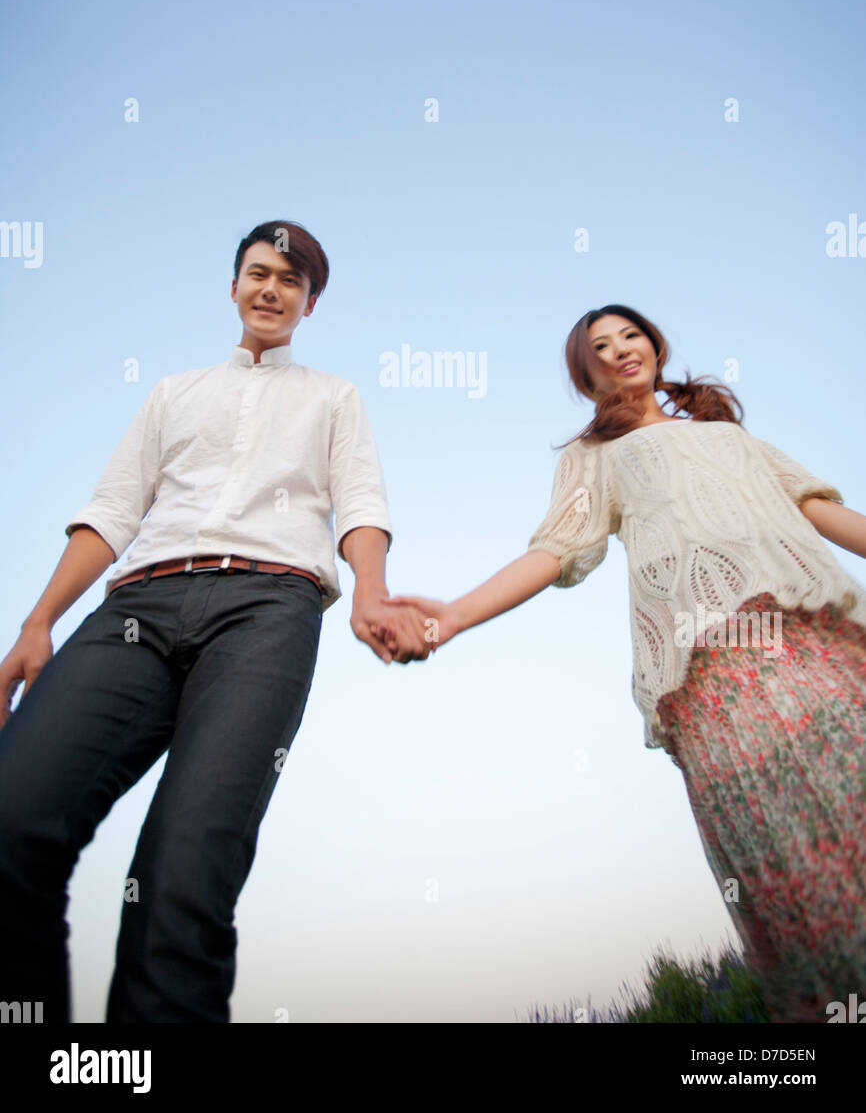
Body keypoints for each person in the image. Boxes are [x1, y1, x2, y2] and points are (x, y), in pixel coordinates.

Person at [380, 304, 866, 1024]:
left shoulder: (724, 432)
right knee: (785, 851)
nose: (619, 351)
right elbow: (555, 552)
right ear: (586, 376)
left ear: (655, 343)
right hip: (716, 672)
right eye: (598, 348)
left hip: (812, 639)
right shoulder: (594, 457)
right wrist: (452, 614)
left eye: (629, 335)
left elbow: (816, 509)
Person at [0, 219, 428, 1024]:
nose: (271, 288)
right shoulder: (173, 392)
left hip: (267, 612)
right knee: (12, 818)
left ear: (309, 304)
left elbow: (361, 501)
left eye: (291, 281)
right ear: (233, 286)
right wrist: (37, 624)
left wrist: (370, 589)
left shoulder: (334, 396)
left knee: (183, 873)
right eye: (259, 272)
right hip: (138, 608)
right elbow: (113, 511)